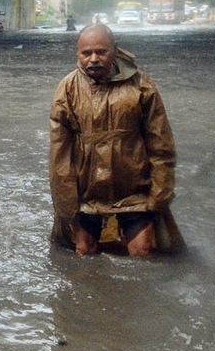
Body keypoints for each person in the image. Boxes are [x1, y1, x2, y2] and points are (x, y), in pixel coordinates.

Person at [48, 23, 181, 257]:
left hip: (133, 189)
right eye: (86, 53)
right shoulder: (67, 89)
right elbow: (60, 152)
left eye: (101, 51)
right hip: (87, 191)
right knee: (84, 251)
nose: (93, 59)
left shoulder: (141, 86)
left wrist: (160, 192)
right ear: (77, 54)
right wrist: (66, 204)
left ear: (114, 50)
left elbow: (160, 143)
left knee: (142, 251)